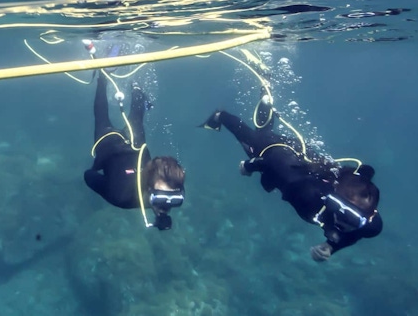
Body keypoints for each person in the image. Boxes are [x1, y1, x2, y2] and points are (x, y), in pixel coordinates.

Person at [200, 94, 382, 260]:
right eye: (343, 213)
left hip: (301, 158)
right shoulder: (306, 193)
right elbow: (271, 161)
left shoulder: (369, 225)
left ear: (369, 216)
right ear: (332, 199)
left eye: (354, 220)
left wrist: (331, 247)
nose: (343, 224)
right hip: (279, 154)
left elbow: (357, 233)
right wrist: (248, 166)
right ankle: (220, 115)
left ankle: (265, 107)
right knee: (252, 139)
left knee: (263, 134)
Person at [84, 70, 186, 230]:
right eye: (174, 199)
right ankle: (135, 82)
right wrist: (98, 166)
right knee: (136, 112)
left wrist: (98, 164)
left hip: (112, 144)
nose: (167, 206)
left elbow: (88, 175)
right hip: (129, 144)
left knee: (103, 115)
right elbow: (90, 176)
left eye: (173, 201)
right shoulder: (121, 197)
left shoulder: (120, 196)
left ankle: (103, 76)